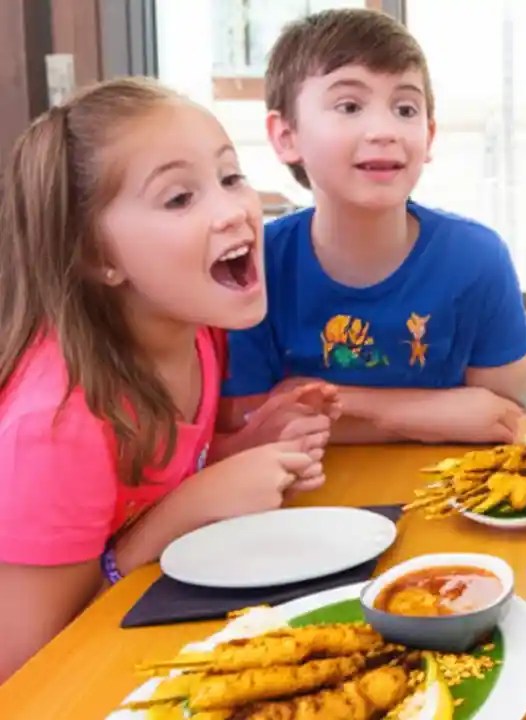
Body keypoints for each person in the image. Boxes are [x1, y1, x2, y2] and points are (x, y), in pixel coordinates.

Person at [0, 78, 337, 681]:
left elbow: (152, 480)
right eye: (180, 198)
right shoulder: (55, 424)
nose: (235, 209)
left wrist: (247, 446)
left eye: (231, 178)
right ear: (94, 254)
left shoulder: (200, 335)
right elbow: (25, 670)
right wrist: (181, 514)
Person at [219, 8, 526, 446]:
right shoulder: (255, 265)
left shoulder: (479, 258)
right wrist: (442, 414)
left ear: (429, 134)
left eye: (405, 108)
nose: (385, 130)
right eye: (349, 106)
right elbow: (251, 426)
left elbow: (500, 420)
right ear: (286, 135)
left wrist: (340, 401)